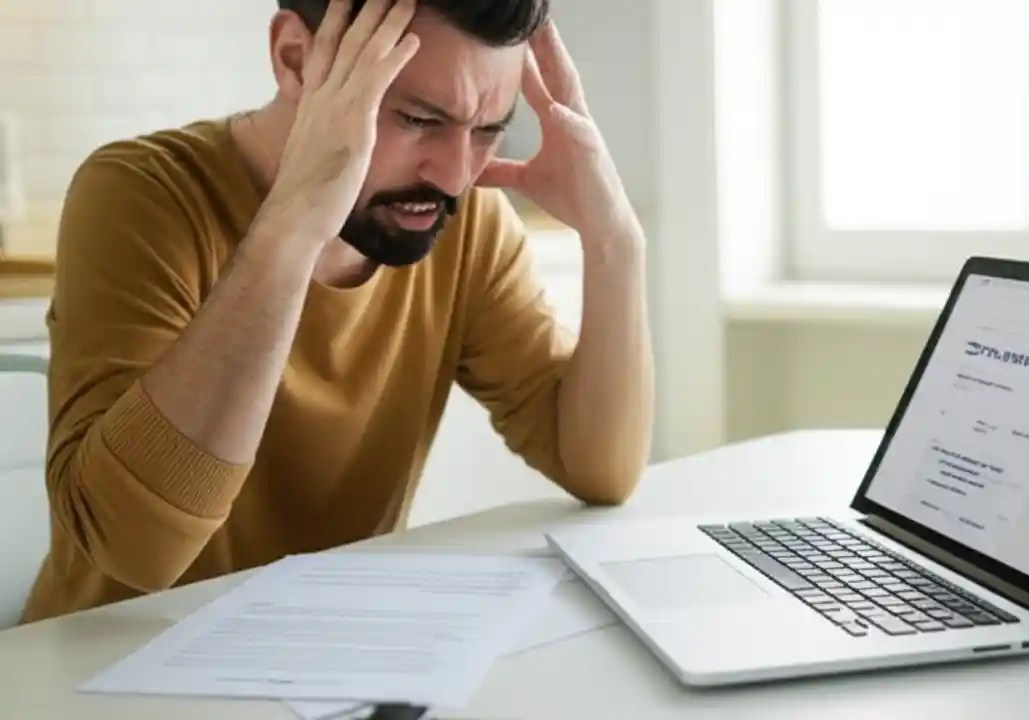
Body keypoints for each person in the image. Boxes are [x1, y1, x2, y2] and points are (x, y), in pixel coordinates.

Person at [21, 0, 653, 623]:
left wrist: (614, 240)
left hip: (335, 656)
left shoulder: (462, 223)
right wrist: (294, 227)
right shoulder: (142, 196)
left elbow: (598, 468)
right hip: (101, 670)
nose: (457, 175)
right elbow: (134, 552)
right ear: (296, 59)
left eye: (489, 128)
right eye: (417, 119)